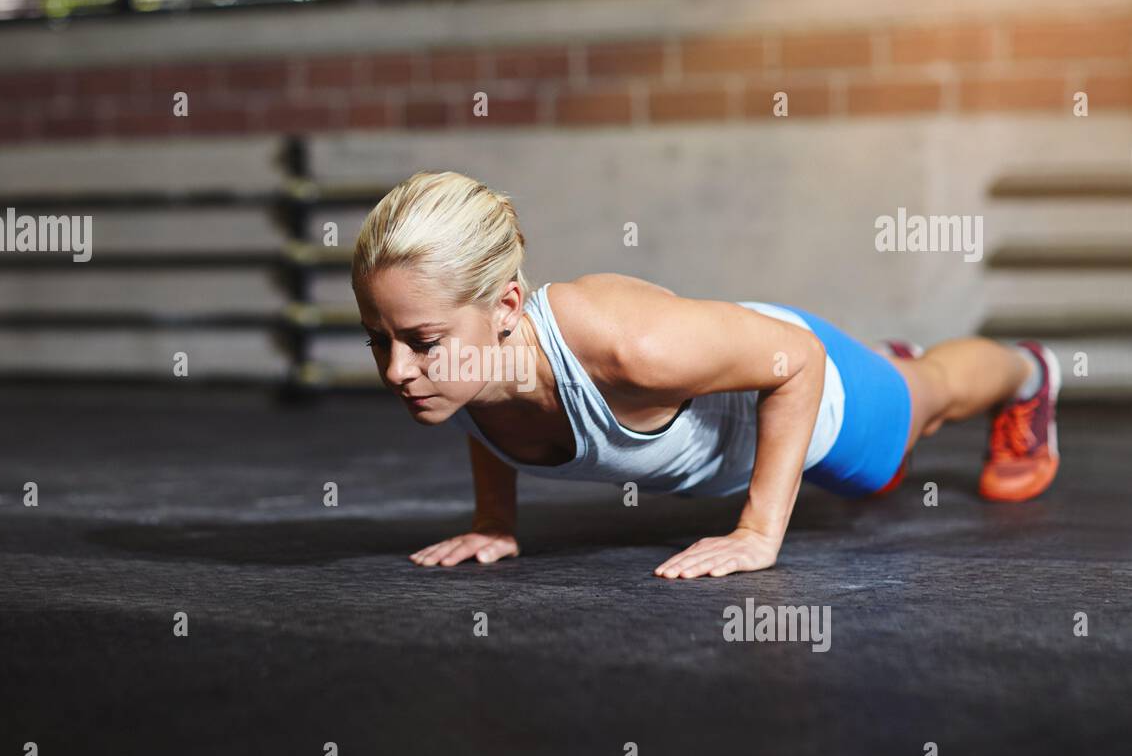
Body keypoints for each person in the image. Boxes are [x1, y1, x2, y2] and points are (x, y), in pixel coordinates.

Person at [351, 171, 1060, 580]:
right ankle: (887, 359)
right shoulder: (467, 365)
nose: (397, 371)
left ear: (506, 305)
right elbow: (493, 410)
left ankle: (1027, 371)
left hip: (801, 374)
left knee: (921, 410)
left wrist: (756, 532)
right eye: (378, 340)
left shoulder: (630, 346)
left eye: (421, 342)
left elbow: (799, 361)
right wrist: (495, 522)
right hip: (737, 357)